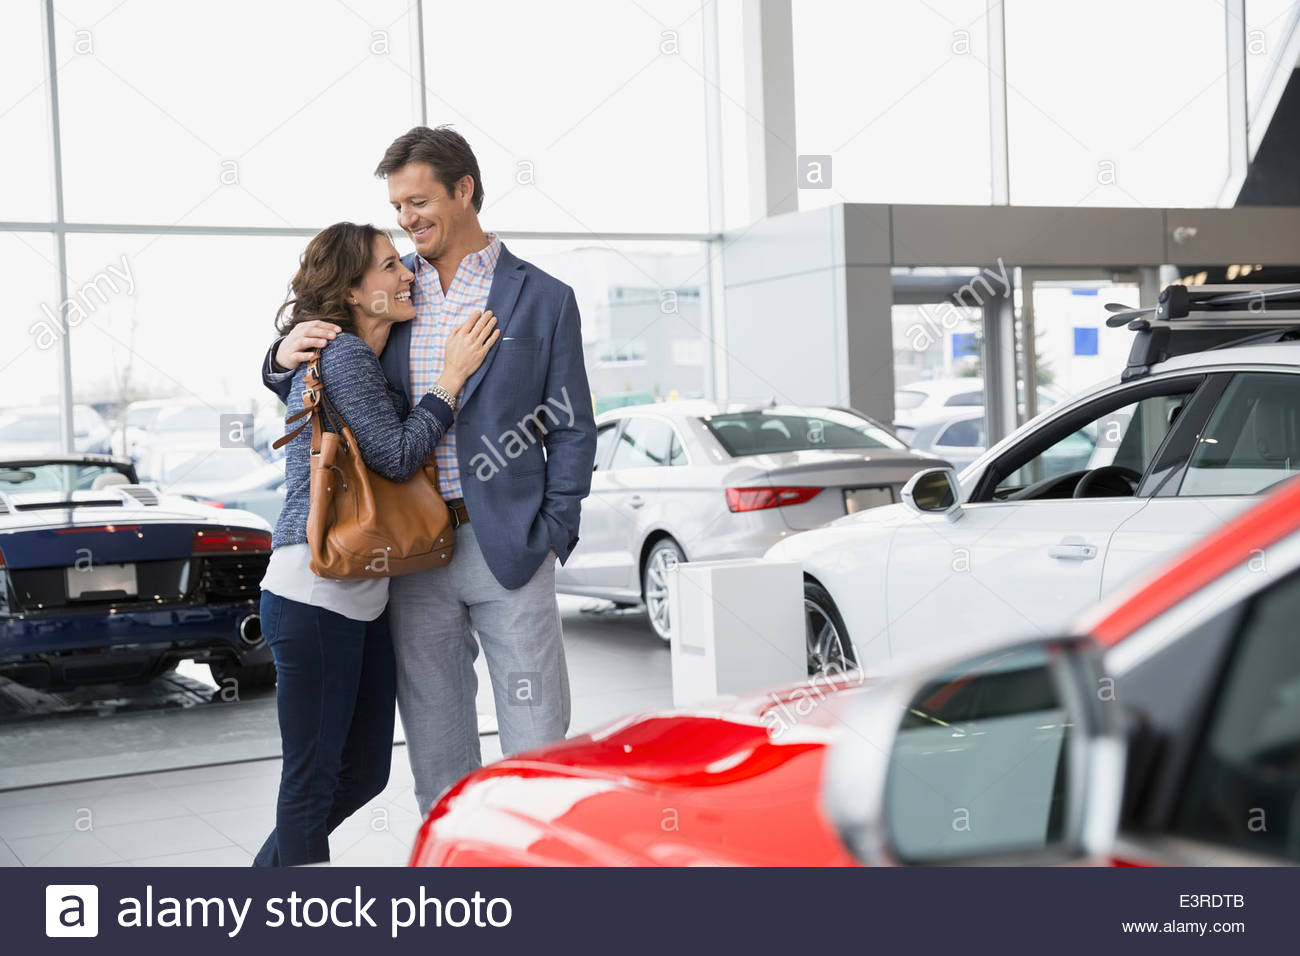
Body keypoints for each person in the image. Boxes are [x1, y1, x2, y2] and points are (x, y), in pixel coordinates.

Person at [263, 126, 597, 815]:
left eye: (418, 202)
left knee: (537, 738)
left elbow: (571, 422)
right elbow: (331, 362)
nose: (408, 220)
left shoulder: (543, 298)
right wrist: (277, 356)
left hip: (509, 545)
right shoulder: (396, 293)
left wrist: (556, 528)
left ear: (464, 191)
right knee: (438, 747)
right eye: (398, 209)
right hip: (408, 554)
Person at [254, 221, 499, 866]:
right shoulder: (344, 356)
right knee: (308, 786)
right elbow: (393, 457)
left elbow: (294, 382)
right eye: (391, 266)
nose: (408, 273)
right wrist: (449, 381)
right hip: (313, 596)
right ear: (355, 292)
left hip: (358, 599)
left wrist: (277, 356)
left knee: (362, 774)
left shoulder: (355, 354)